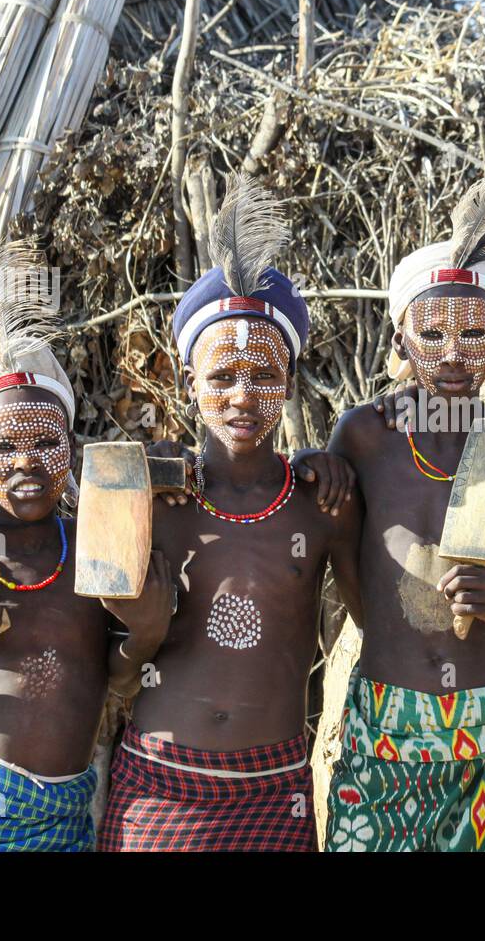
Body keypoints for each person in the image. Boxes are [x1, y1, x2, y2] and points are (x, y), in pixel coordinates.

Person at [321, 141, 485, 851]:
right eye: (431, 333)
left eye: (474, 333)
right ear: (399, 334)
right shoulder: (365, 438)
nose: (454, 353)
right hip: (387, 724)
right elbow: (349, 572)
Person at [98, 175, 362, 852]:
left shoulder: (321, 504)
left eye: (265, 376)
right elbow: (107, 661)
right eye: (221, 376)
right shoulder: (155, 500)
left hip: (274, 786)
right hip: (158, 782)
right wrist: (135, 476)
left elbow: (378, 624)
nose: (244, 395)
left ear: (291, 382)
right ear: (189, 382)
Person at [0, 240, 172, 851]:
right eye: (4, 448)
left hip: (61, 821)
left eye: (45, 442)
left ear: (70, 450)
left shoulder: (100, 548)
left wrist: (146, 633)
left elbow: (119, 680)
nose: (26, 463)